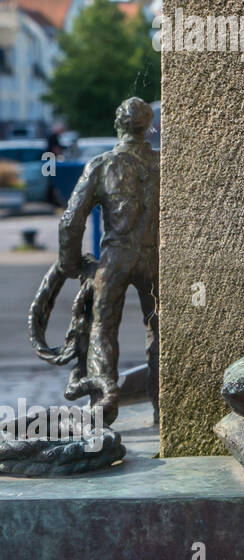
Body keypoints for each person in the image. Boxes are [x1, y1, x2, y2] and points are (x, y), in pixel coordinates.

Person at [57, 98, 160, 425]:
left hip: (116, 256)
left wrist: (70, 263)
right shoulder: (165, 166)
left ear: (119, 125)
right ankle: (164, 404)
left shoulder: (101, 165)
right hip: (154, 255)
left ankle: (105, 402)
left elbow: (72, 220)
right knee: (159, 329)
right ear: (147, 127)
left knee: (102, 327)